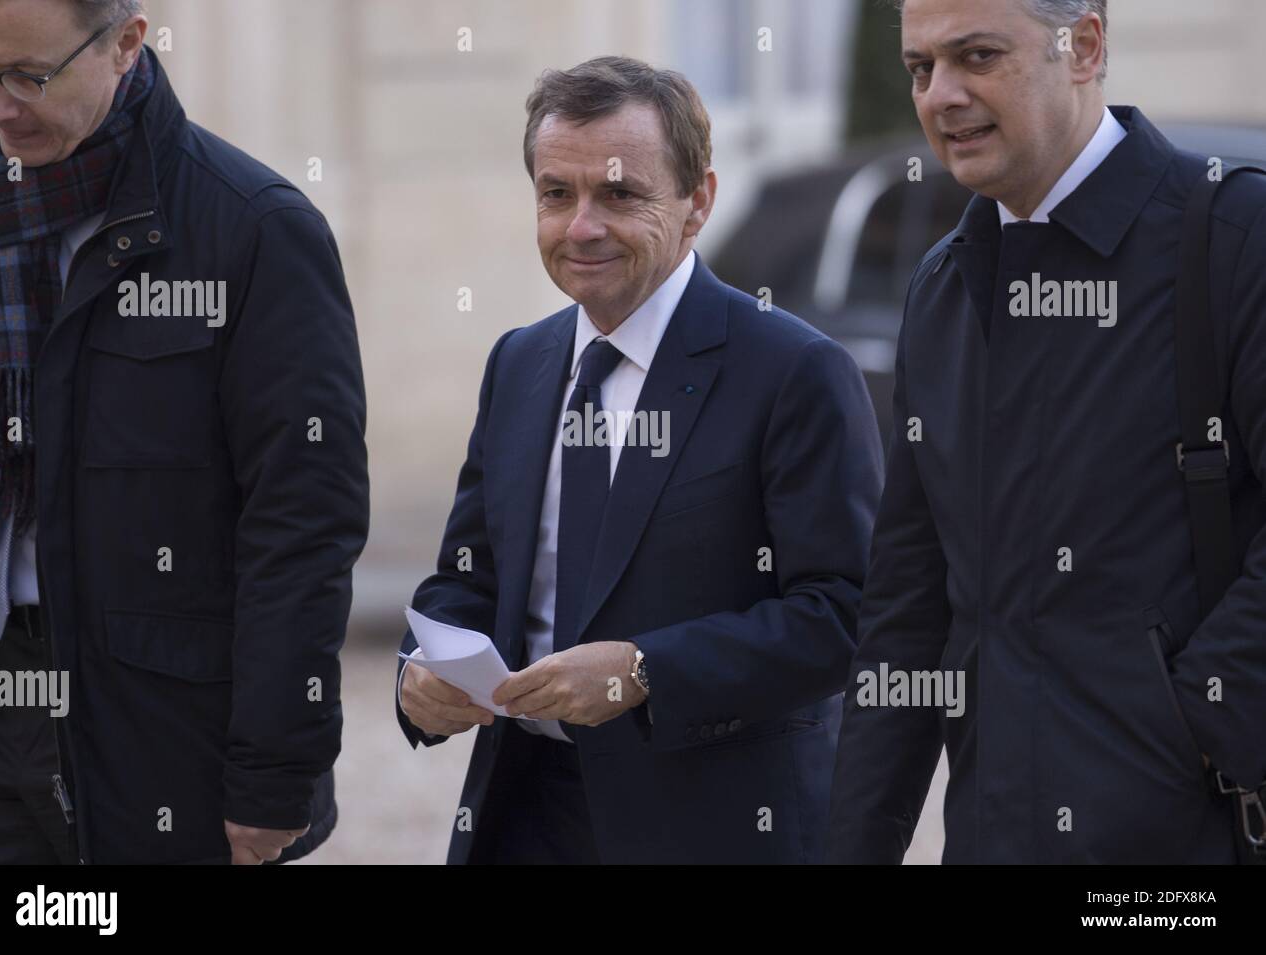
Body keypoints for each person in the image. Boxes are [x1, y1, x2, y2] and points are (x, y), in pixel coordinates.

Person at [396, 55, 882, 864]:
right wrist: (420, 673)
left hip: (713, 828)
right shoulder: (518, 363)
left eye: (619, 194)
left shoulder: (793, 371)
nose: (580, 225)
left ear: (699, 203)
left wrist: (645, 670)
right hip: (522, 818)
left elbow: (848, 615)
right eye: (556, 193)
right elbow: (468, 577)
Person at [829, 0, 1266, 863]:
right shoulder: (942, 288)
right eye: (920, 68)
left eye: (977, 56)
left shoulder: (1234, 237)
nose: (941, 94)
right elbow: (910, 610)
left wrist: (1191, 725)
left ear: (1085, 46)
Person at [0, 0, 368, 864]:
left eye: (28, 77)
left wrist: (274, 774)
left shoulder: (256, 230)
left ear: (125, 44)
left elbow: (301, 520)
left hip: (156, 731)